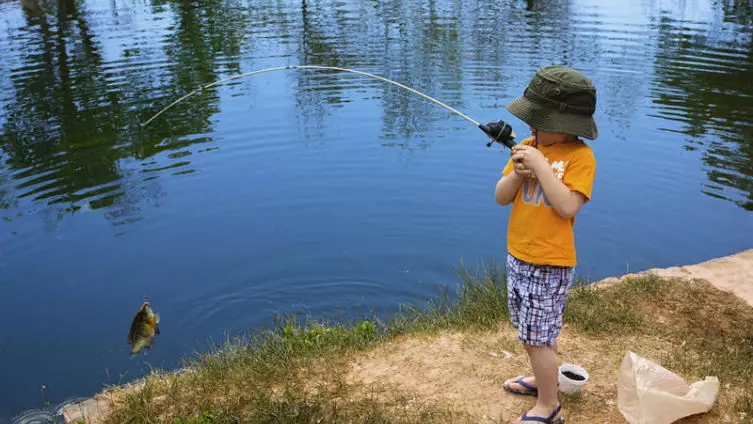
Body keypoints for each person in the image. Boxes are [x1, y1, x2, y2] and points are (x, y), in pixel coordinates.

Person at [493, 65, 598, 424]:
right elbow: (500, 197)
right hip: (518, 255)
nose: (531, 127)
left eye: (539, 120)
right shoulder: (528, 146)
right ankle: (543, 381)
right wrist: (520, 174)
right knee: (531, 332)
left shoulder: (579, 158)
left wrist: (540, 167)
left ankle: (549, 405)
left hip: (549, 262)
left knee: (538, 337)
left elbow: (568, 206)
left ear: (567, 124)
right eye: (530, 119)